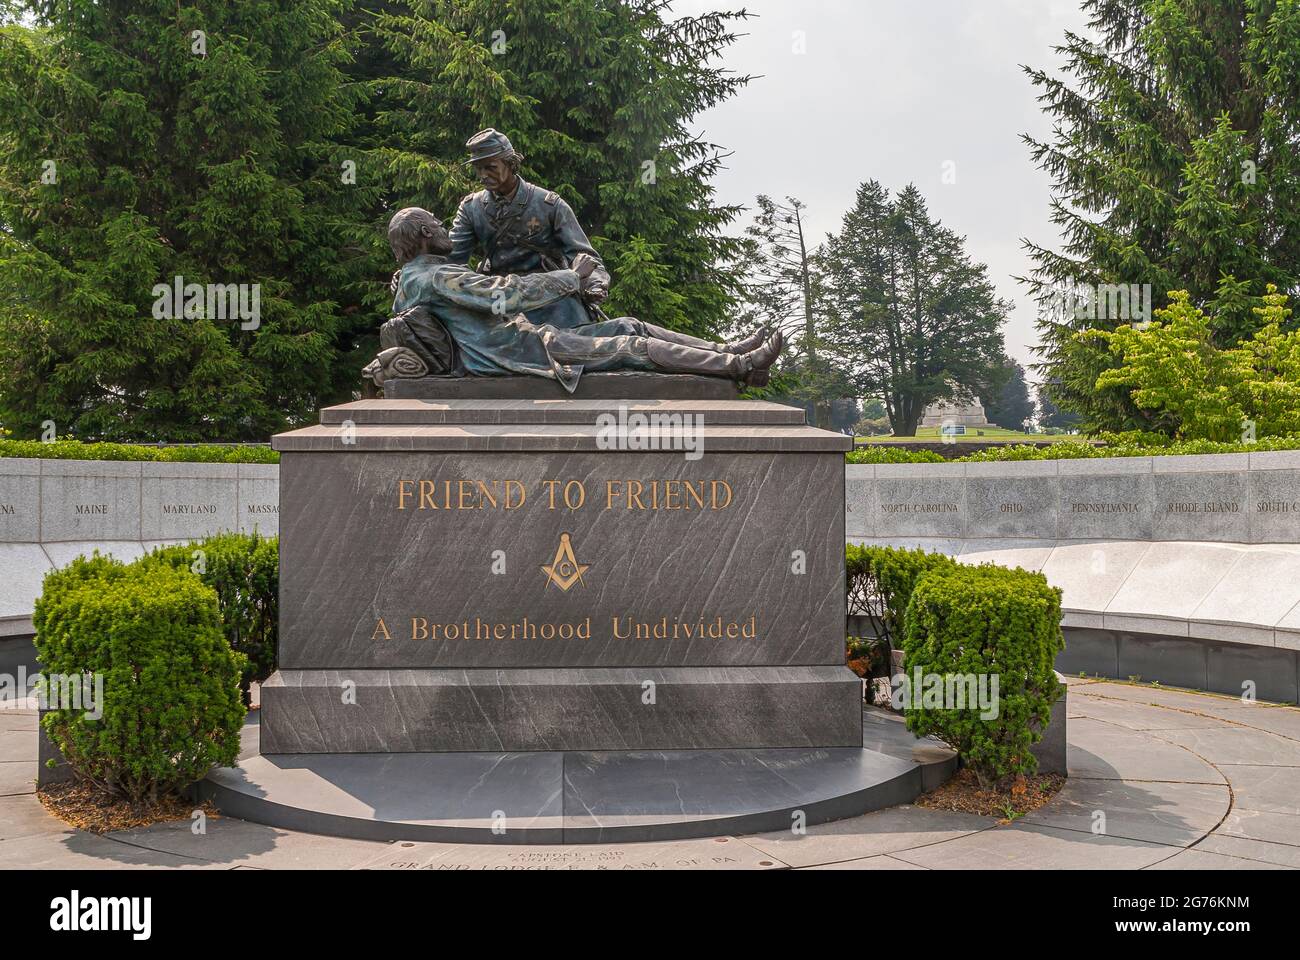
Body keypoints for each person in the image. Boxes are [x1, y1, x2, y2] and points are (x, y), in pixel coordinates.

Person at [379, 207, 779, 393]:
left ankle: (725, 348)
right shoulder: (436, 275)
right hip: (517, 350)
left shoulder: (415, 277)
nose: (447, 229)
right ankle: (739, 365)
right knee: (630, 345)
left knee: (629, 325)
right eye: (437, 225)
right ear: (424, 236)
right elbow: (507, 294)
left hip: (517, 342)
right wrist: (574, 276)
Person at [447, 128, 608, 330]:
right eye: (478, 169)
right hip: (502, 300)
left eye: (490, 167)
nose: (483, 175)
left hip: (553, 300)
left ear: (511, 164)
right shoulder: (472, 208)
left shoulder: (549, 205)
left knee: (578, 349)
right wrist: (416, 268)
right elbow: (451, 258)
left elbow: (583, 255)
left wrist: (595, 284)